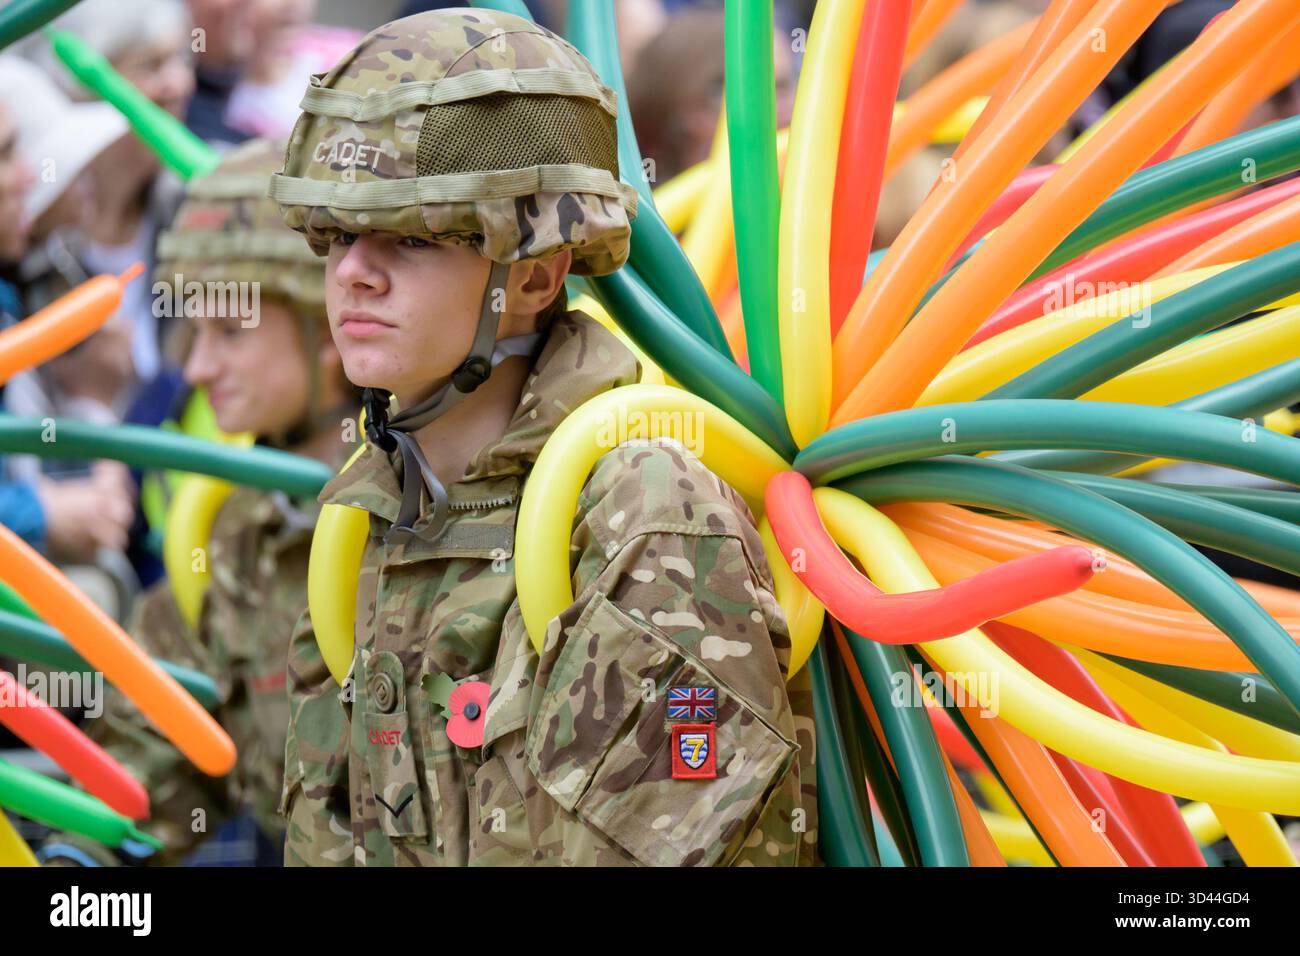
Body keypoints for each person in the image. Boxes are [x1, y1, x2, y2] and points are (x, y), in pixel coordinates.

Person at [271, 7, 817, 867]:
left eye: (411, 239)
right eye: (336, 236)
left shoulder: (641, 507)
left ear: (533, 274)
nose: (352, 273)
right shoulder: (367, 515)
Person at [38, 138, 356, 866]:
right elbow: (158, 746)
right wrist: (76, 869)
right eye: (194, 330)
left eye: (232, 330)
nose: (199, 365)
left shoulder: (453, 508)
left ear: (334, 323)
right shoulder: (231, 527)